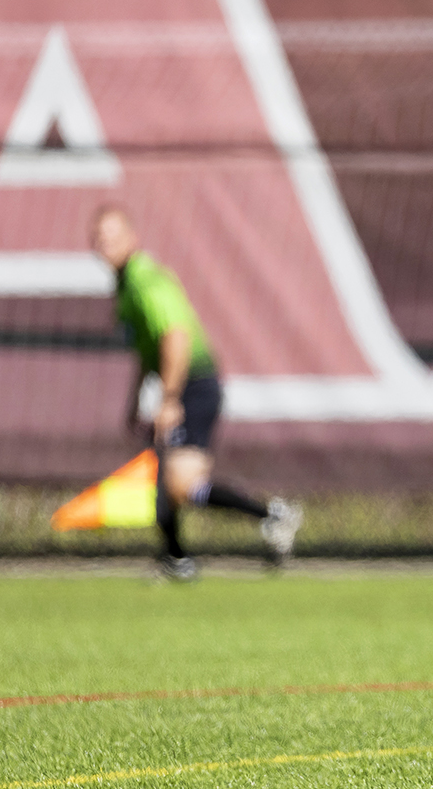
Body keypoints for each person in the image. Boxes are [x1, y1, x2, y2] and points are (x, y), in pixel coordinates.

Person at [89, 205, 302, 579]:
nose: (104, 245)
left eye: (112, 236)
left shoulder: (145, 280)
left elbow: (176, 338)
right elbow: (148, 350)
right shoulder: (125, 286)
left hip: (194, 384)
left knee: (181, 483)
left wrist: (170, 400)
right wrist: (136, 400)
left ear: (133, 239)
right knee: (169, 480)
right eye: (99, 239)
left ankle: (270, 516)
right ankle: (177, 559)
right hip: (181, 385)